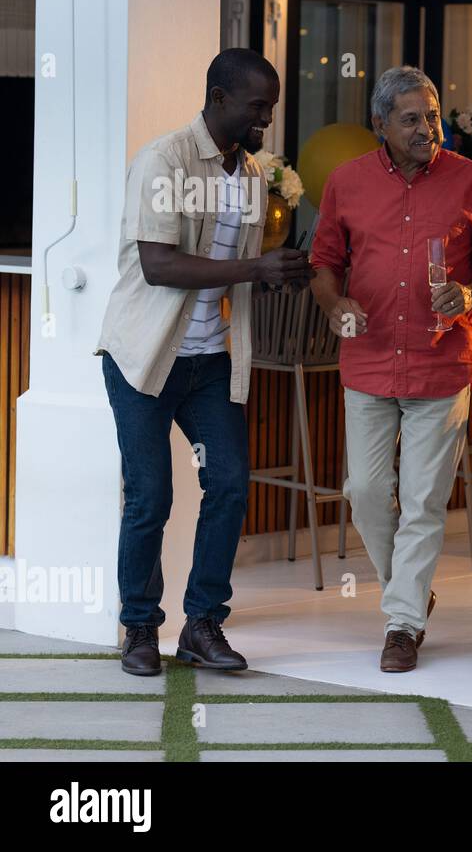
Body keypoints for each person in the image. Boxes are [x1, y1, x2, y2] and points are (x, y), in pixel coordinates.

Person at [98, 48, 315, 677]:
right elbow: (159, 265)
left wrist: (278, 276)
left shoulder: (250, 175)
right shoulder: (162, 160)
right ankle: (139, 626)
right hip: (143, 359)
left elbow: (231, 275)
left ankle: (202, 624)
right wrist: (255, 267)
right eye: (257, 106)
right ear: (218, 98)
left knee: (227, 483)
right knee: (150, 496)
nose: (266, 118)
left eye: (271, 106)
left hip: (210, 361)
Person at [309, 65, 472, 673]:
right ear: (380, 125)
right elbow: (323, 265)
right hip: (367, 361)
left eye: (434, 115)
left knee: (422, 499)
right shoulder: (346, 182)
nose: (428, 129)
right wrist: (335, 303)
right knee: (364, 491)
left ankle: (402, 624)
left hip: (442, 362)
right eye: (412, 119)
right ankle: (411, 591)